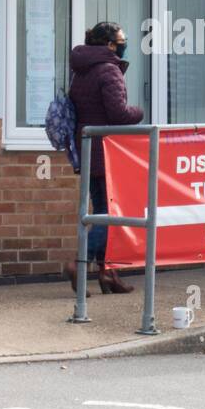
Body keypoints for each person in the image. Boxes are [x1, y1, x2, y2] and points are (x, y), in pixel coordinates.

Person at [65, 21, 143, 294]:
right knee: (109, 214)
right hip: (106, 151)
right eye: (122, 40)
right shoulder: (108, 70)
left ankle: (108, 272)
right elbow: (118, 113)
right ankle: (80, 262)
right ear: (110, 44)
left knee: (100, 210)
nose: (124, 44)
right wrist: (140, 112)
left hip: (87, 146)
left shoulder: (81, 69)